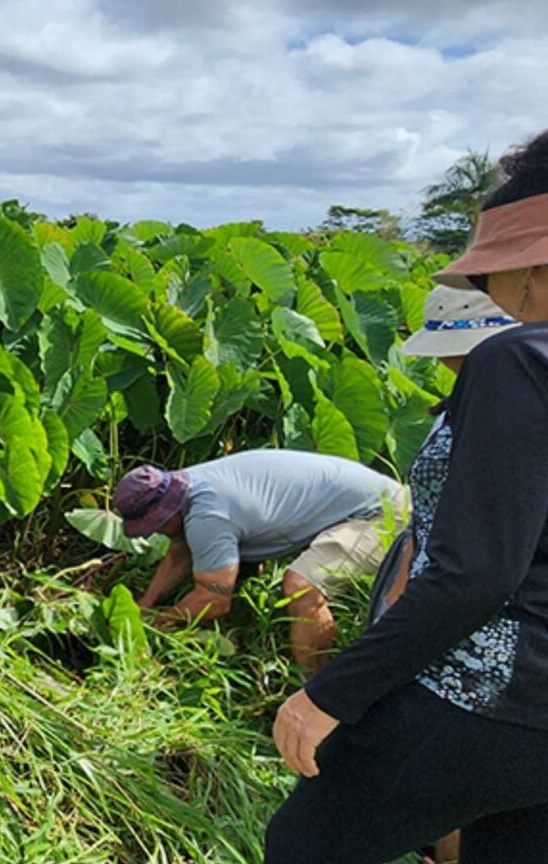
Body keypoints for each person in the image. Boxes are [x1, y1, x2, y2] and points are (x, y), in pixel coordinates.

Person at [266, 130, 548, 863]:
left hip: (490, 696)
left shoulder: (515, 360)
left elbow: (477, 572)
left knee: (303, 847)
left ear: (531, 265)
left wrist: (331, 694)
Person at [365, 286, 516, 864]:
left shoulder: (512, 414)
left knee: (455, 760)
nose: (452, 364)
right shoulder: (466, 403)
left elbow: (490, 546)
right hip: (427, 584)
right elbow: (425, 522)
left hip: (473, 612)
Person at [117, 450, 405, 673]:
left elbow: (214, 600)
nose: (154, 531)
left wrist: (158, 623)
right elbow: (181, 553)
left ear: (168, 511)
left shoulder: (209, 514)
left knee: (303, 587)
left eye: (154, 524)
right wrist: (145, 603)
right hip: (359, 502)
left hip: (384, 514)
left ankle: (319, 695)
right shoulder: (185, 488)